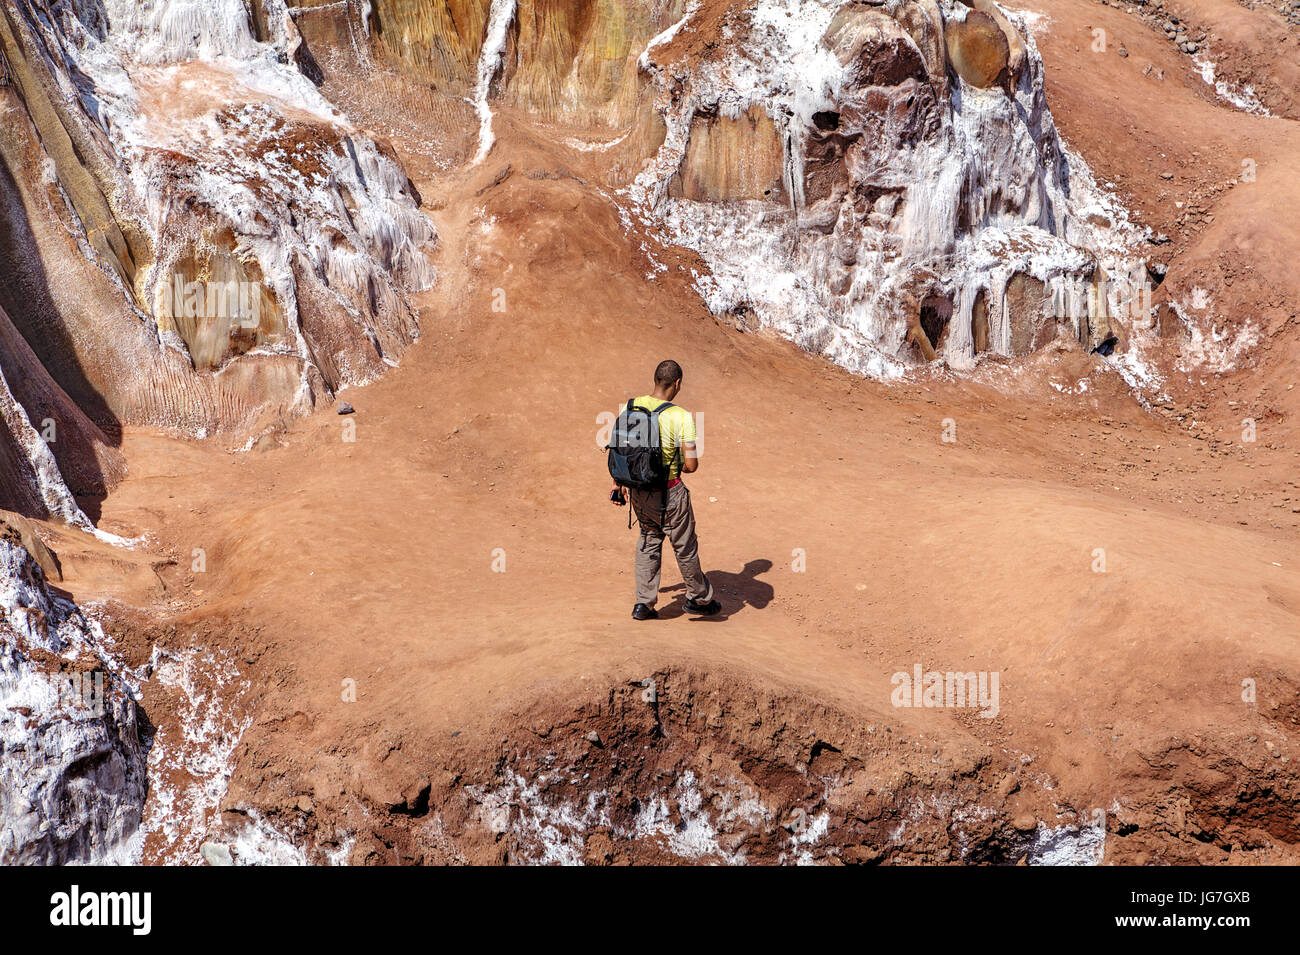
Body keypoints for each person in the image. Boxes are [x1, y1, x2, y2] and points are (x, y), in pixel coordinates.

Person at [610, 360, 720, 620]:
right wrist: (680, 462)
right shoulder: (680, 416)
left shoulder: (631, 407)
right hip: (671, 492)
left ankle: (643, 604)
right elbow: (691, 465)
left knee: (648, 540)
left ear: (656, 379)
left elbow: (622, 449)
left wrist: (619, 485)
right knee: (685, 546)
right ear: (677, 383)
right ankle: (698, 599)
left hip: (639, 491)